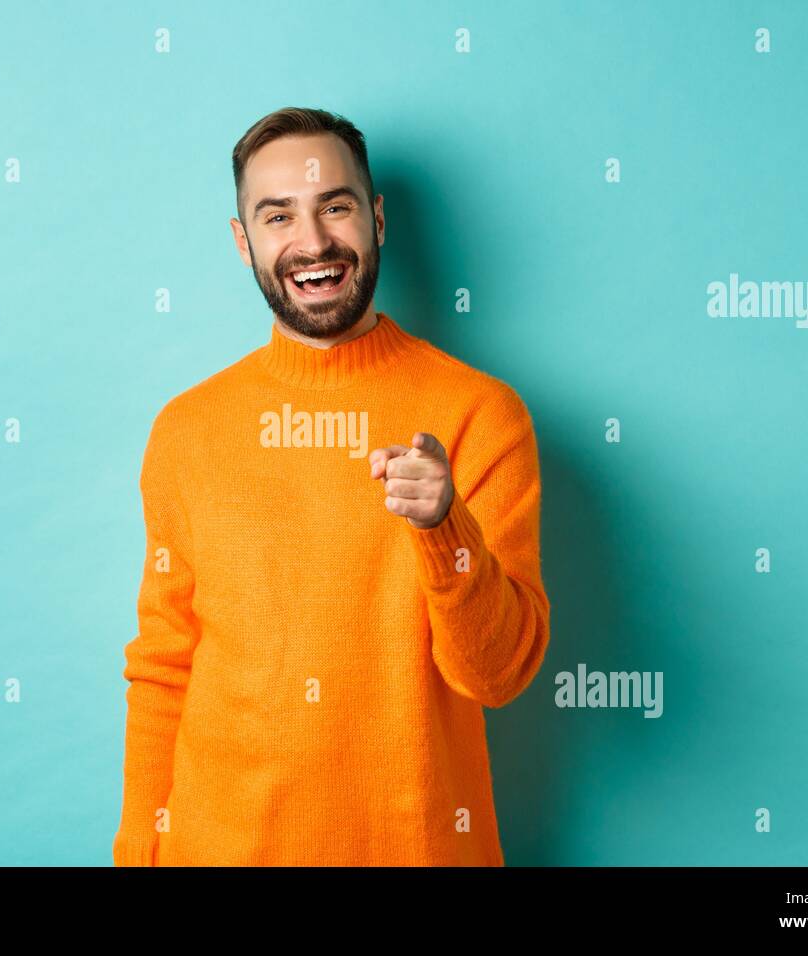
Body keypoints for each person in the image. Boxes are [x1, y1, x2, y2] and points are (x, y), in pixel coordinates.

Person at [112, 106, 551, 866]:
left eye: (336, 207)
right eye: (278, 216)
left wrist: (446, 528)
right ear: (243, 241)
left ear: (377, 219)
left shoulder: (480, 415)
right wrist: (137, 851)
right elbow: (163, 667)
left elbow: (498, 675)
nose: (312, 243)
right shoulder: (186, 430)